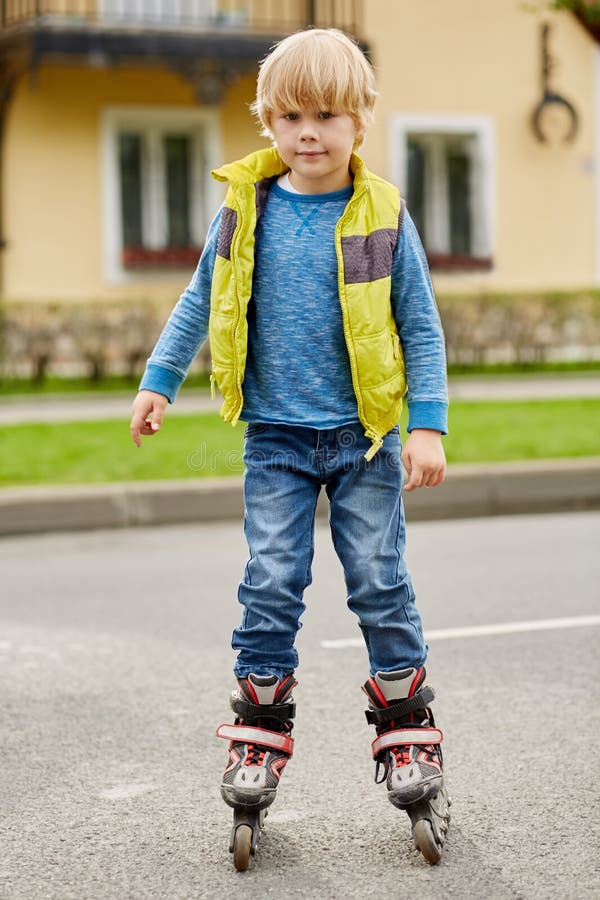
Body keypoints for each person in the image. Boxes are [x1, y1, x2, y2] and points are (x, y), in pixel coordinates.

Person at [130, 27, 450, 865]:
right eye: (290, 115)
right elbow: (202, 296)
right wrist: (159, 379)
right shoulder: (247, 207)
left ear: (361, 119)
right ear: (268, 120)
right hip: (274, 436)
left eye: (327, 114)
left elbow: (419, 326)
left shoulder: (383, 213)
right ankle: (257, 732)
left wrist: (427, 424)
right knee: (271, 582)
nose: (308, 132)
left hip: (367, 440)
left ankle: (409, 732)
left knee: (380, 581)